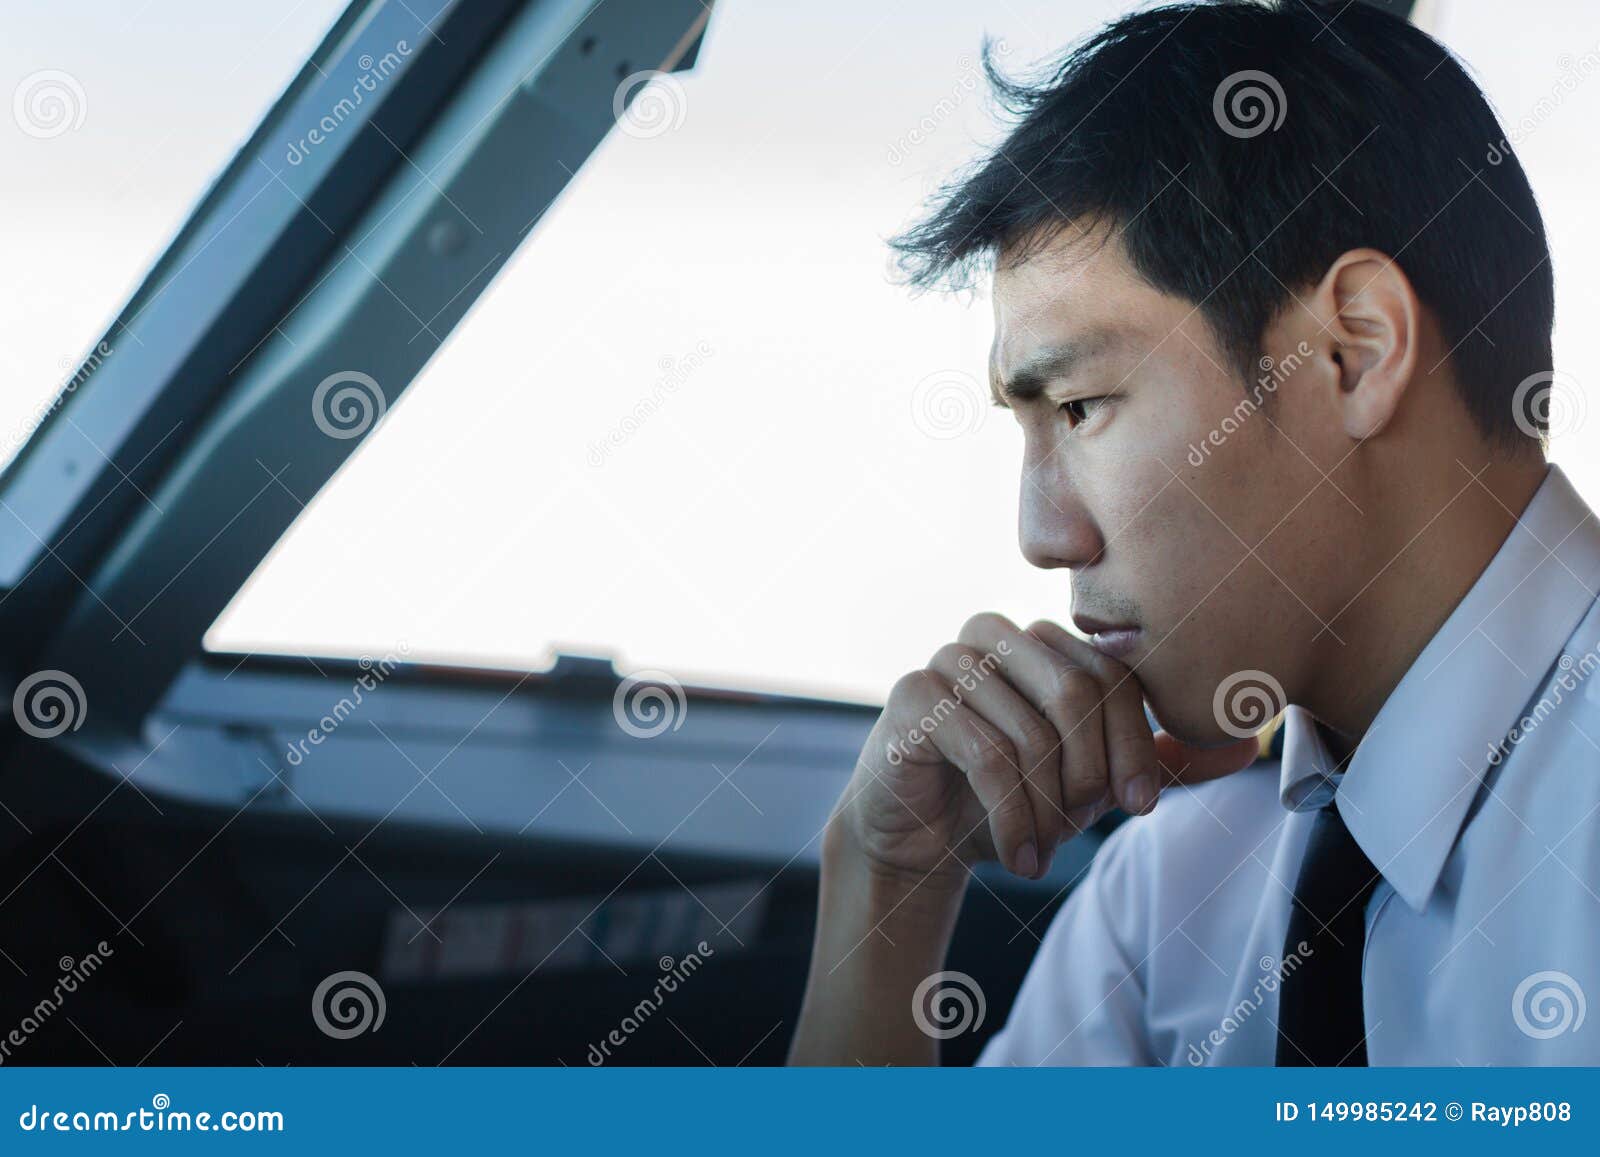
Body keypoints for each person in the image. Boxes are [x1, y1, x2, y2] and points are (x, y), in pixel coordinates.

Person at [788, 0, 1599, 1066]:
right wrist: (882, 885)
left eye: (1078, 407)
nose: (1042, 534)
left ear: (1351, 352)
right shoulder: (1162, 900)